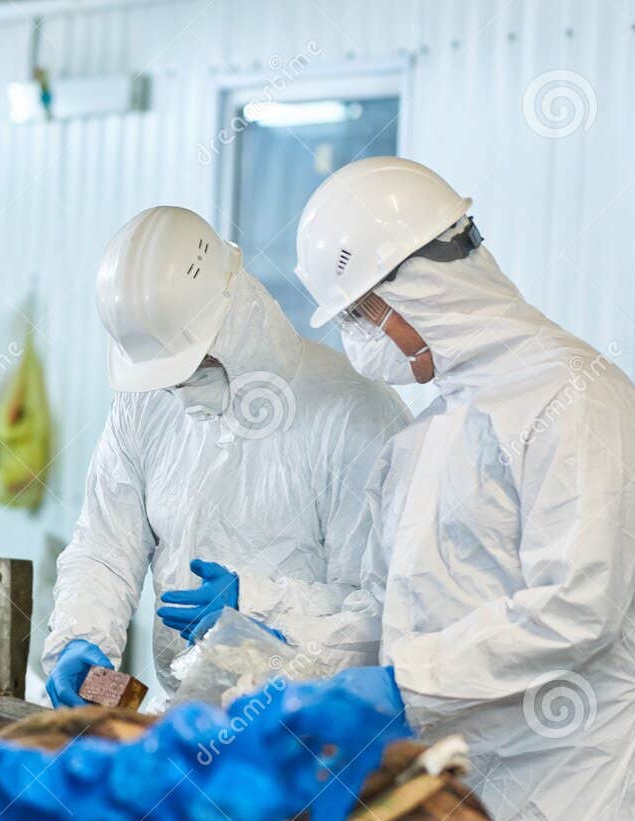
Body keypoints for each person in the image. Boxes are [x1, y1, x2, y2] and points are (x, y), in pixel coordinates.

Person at [293, 157, 635, 821]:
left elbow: (576, 606)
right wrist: (291, 659)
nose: (359, 339)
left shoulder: (578, 401)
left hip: (566, 794)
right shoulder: (433, 432)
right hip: (452, 784)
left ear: (416, 288)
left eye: (358, 315)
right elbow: (389, 603)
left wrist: (401, 683)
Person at [43, 206, 411, 704]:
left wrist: (261, 614)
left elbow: (382, 613)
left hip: (306, 724)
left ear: (235, 321)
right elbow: (106, 547)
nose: (178, 389)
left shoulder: (356, 415)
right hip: (182, 717)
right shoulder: (146, 400)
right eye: (165, 375)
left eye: (193, 367)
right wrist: (80, 637)